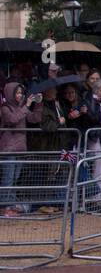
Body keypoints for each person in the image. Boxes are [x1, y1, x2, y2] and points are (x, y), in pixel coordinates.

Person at [1, 82, 42, 215]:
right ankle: (4, 205)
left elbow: (35, 119)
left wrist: (39, 104)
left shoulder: (22, 107)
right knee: (8, 179)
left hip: (20, 149)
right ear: (10, 93)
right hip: (8, 149)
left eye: (21, 93)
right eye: (17, 93)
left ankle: (11, 204)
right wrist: (27, 105)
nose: (20, 95)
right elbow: (13, 120)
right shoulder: (5, 108)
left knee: (15, 178)